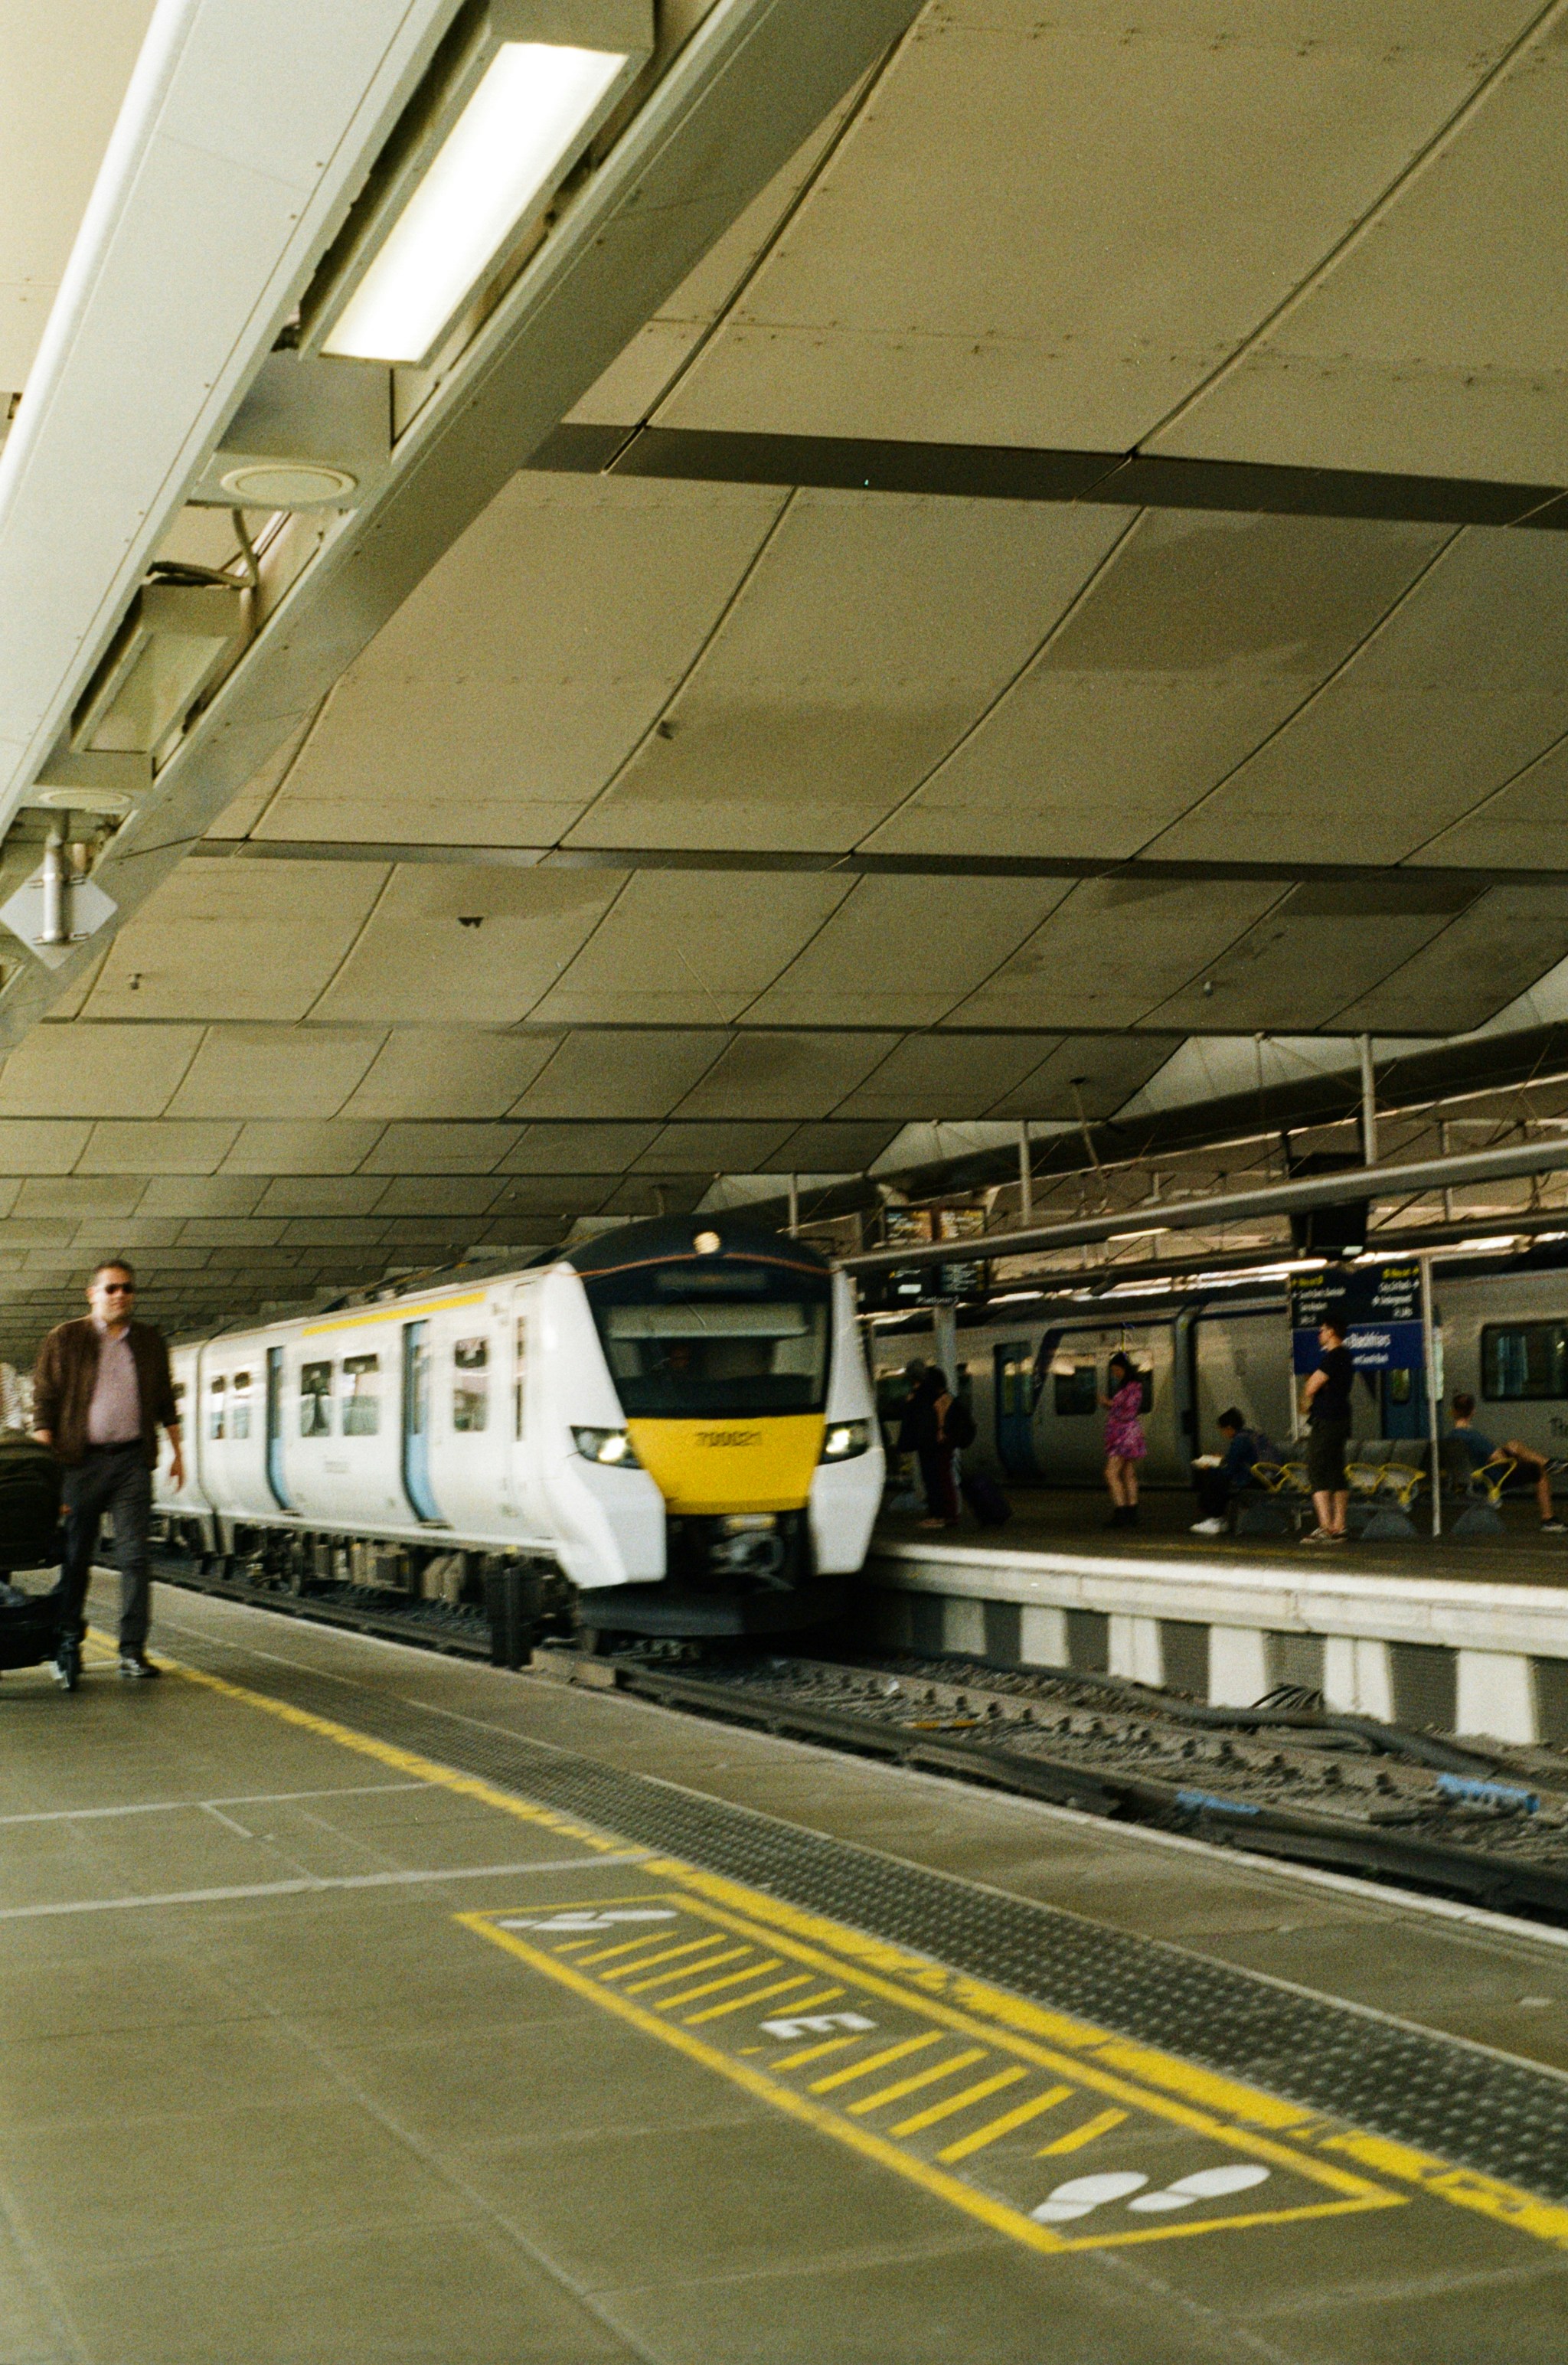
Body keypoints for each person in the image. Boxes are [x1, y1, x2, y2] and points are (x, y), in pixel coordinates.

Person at [31, 1259, 183, 1681]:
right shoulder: (66, 1338)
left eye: (128, 1289)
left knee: (136, 1558)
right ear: (92, 1294)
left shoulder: (150, 1340)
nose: (121, 1296)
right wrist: (48, 1470)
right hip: (79, 1463)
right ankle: (67, 1644)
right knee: (77, 1555)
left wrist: (177, 1451)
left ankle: (132, 1650)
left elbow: (164, 1400)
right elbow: (44, 1404)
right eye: (112, 1289)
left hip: (132, 1461)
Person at [1449, 1393, 1566, 1533]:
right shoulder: (1472, 1436)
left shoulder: (1452, 1437)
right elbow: (1499, 1459)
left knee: (1513, 1445)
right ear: (1473, 1411)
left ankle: (1550, 1463)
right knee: (1538, 1470)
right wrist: (1518, 1459)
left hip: (1477, 1475)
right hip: (1492, 1478)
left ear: (1453, 1411)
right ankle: (1548, 1519)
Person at [1300, 1315, 1354, 1543]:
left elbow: (1311, 1387)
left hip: (1327, 1420)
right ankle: (1338, 1525)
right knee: (1336, 1471)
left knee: (1317, 1469)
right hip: (1341, 1419)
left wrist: (1309, 1392)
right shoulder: (1347, 1357)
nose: (1319, 1334)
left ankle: (1325, 1526)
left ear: (1332, 1332)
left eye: (1322, 1330)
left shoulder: (1333, 1357)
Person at [1190, 1407, 1272, 1535]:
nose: (1223, 1434)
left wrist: (1209, 1467)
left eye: (1222, 1430)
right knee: (1219, 1476)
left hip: (1254, 1480)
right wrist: (1223, 1460)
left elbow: (1229, 1469)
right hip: (1266, 1476)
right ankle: (1218, 1520)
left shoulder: (1239, 1441)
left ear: (1228, 1428)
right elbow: (1241, 1459)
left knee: (1215, 1479)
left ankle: (1216, 1519)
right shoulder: (1250, 1434)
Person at [900, 1364, 959, 1529]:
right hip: (940, 1444)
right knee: (942, 1479)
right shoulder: (944, 1395)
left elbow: (923, 1419)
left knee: (935, 1480)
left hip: (931, 1444)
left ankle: (939, 1516)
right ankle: (946, 1515)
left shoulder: (925, 1397)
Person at [1101, 1351, 1145, 1530]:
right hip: (1126, 1434)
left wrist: (1109, 1404)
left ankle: (1121, 1512)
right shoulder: (1130, 1386)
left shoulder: (1132, 1387)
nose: (1115, 1373)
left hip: (1124, 1435)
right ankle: (1132, 1512)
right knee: (1127, 1473)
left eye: (1117, 1369)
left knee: (1111, 1473)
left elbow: (1129, 1412)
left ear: (1125, 1368)